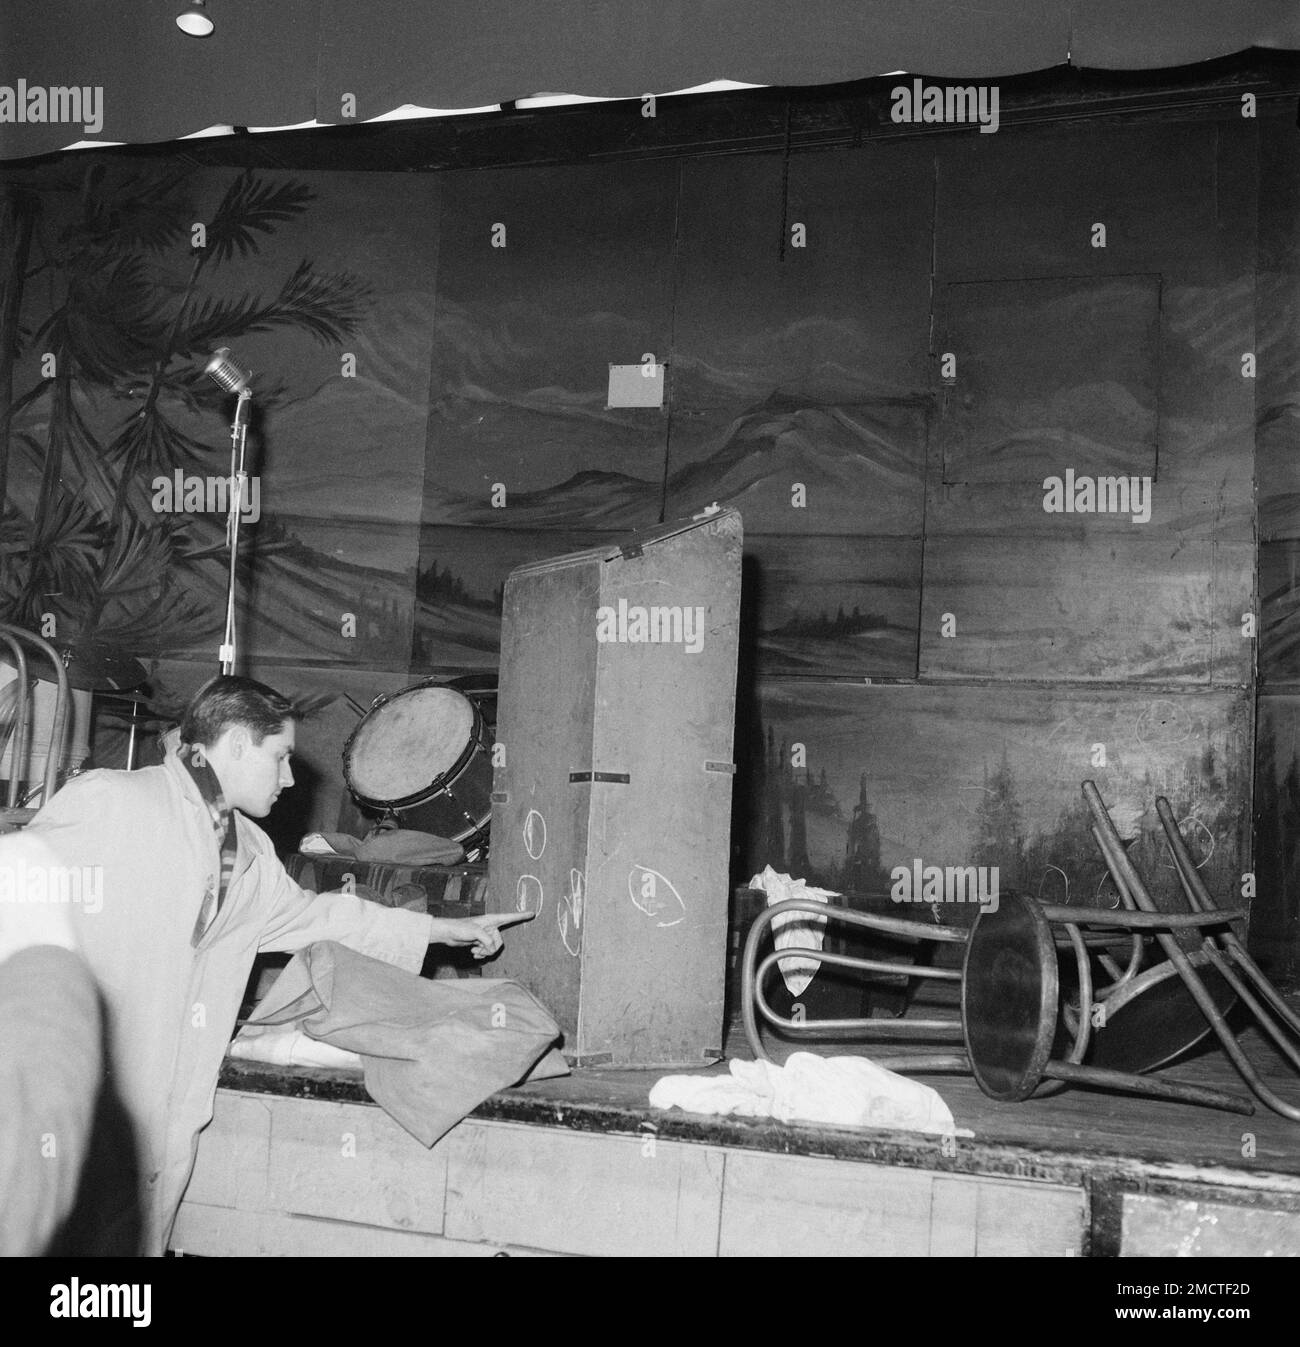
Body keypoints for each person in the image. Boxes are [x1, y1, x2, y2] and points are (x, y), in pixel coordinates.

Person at [23, 674, 517, 1256]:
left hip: (164, 1128)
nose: (289, 778)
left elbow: (319, 918)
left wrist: (439, 930)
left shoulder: (250, 852)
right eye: (279, 756)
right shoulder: (110, 801)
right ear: (236, 743)